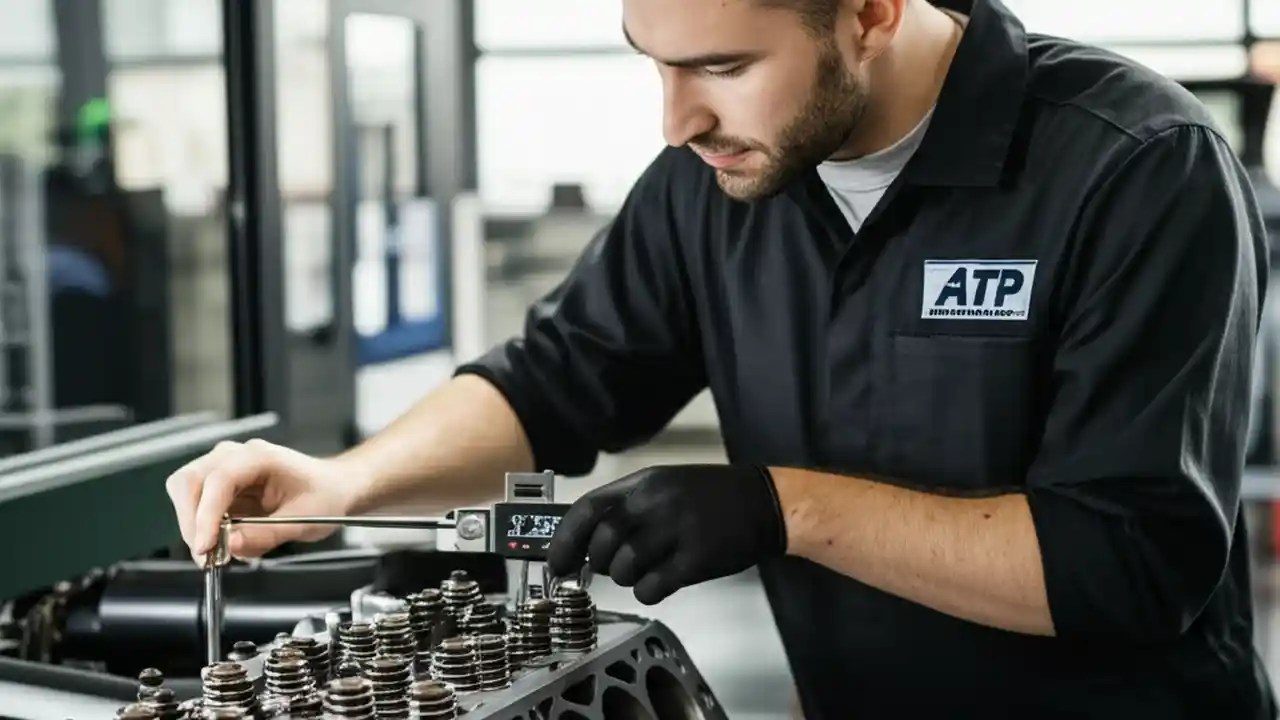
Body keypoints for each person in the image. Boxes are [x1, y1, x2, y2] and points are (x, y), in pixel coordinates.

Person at [166, 0, 1279, 716]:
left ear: (870, 12)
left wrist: (777, 509)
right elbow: (554, 379)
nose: (675, 120)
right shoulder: (717, 184)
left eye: (721, 64)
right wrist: (341, 482)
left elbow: (1122, 567)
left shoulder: (1136, 168)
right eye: (652, 63)